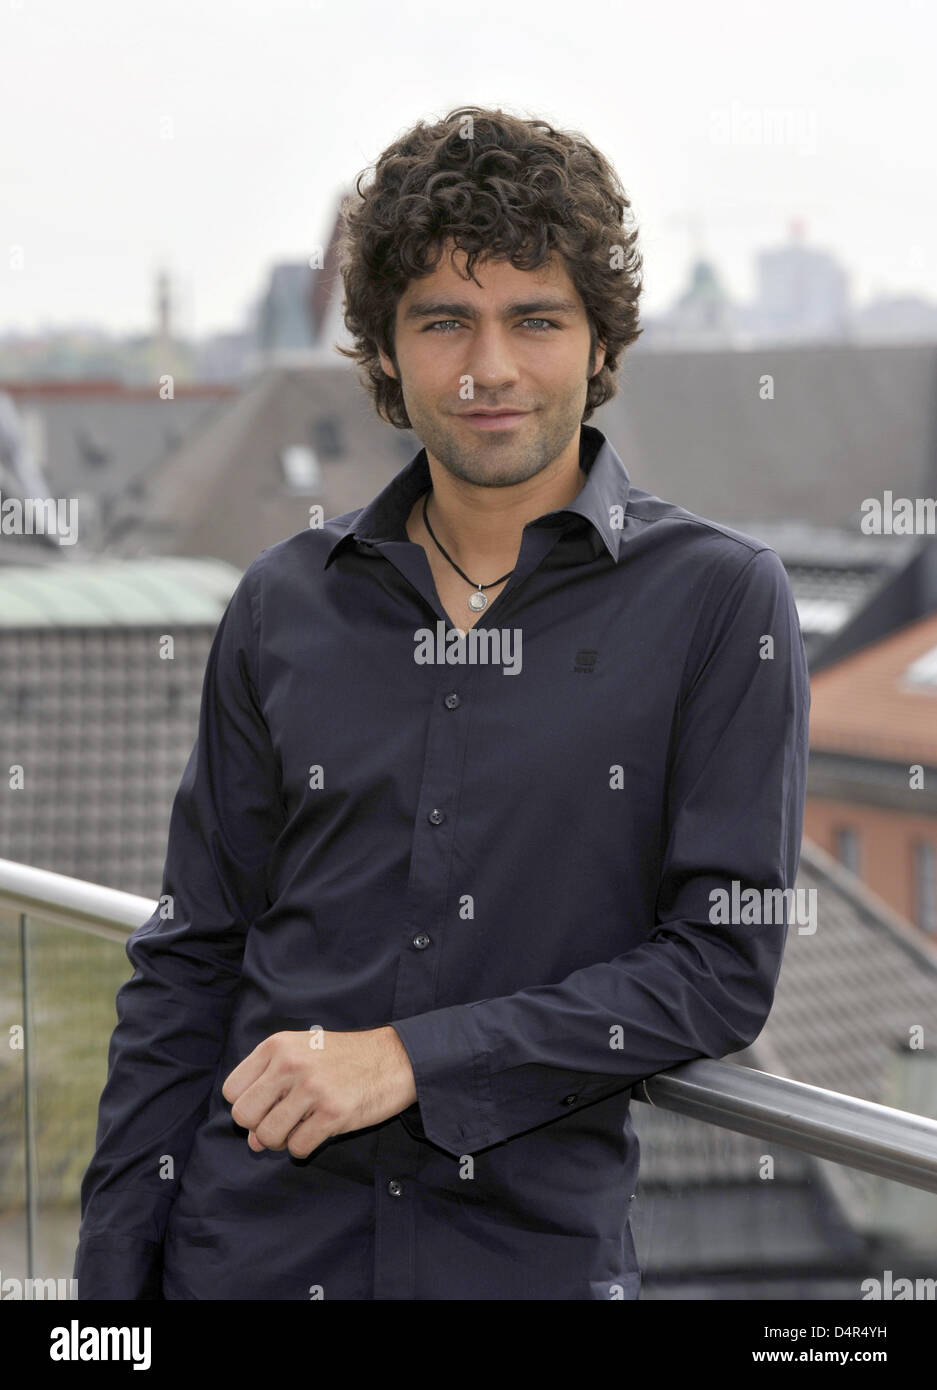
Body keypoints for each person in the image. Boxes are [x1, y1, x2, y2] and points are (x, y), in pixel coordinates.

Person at [74, 105, 810, 1301]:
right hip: (244, 1253)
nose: (490, 367)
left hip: (520, 1265)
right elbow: (191, 961)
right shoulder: (281, 604)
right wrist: (108, 1293)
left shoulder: (719, 603)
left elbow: (719, 965)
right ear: (384, 350)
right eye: (443, 321)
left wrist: (413, 1060)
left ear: (598, 344)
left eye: (535, 318)